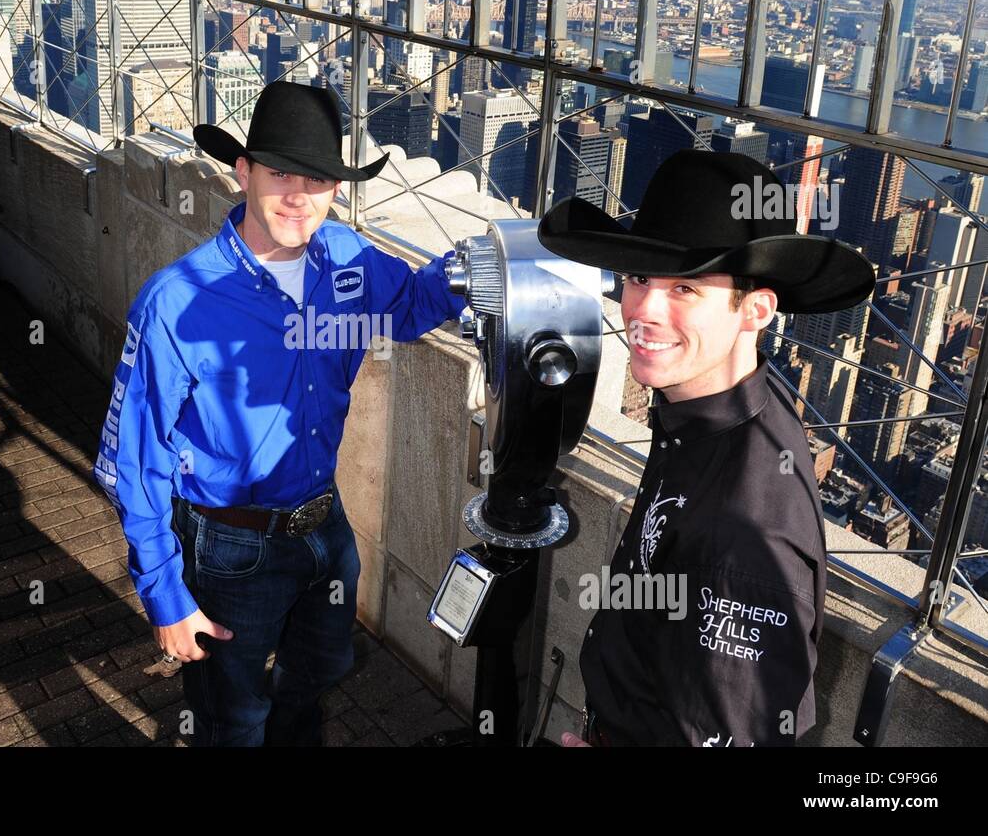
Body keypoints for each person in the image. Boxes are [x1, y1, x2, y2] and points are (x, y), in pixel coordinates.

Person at [93, 81, 467, 746]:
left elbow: (412, 304)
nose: (298, 194)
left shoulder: (349, 262)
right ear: (243, 173)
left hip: (325, 529)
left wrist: (479, 271)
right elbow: (133, 459)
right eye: (280, 172)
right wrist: (165, 593)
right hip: (229, 548)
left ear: (337, 188)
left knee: (315, 682)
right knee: (232, 718)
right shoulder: (178, 301)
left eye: (318, 178)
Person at [536, 150, 875, 747]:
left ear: (756, 310)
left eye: (686, 288)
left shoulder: (742, 539)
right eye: (639, 277)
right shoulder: (712, 409)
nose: (642, 309)